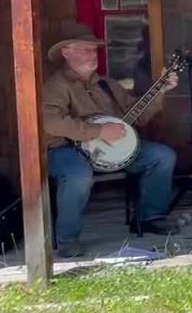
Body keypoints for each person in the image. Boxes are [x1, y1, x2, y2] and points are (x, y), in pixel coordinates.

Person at [42, 22, 180, 258]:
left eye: (93, 49)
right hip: (66, 150)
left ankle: (150, 217)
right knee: (77, 176)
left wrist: (160, 91)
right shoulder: (56, 86)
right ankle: (68, 239)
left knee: (162, 156)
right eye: (85, 49)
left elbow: (138, 115)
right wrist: (97, 131)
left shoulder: (108, 85)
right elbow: (52, 123)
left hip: (113, 151)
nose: (92, 53)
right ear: (66, 52)